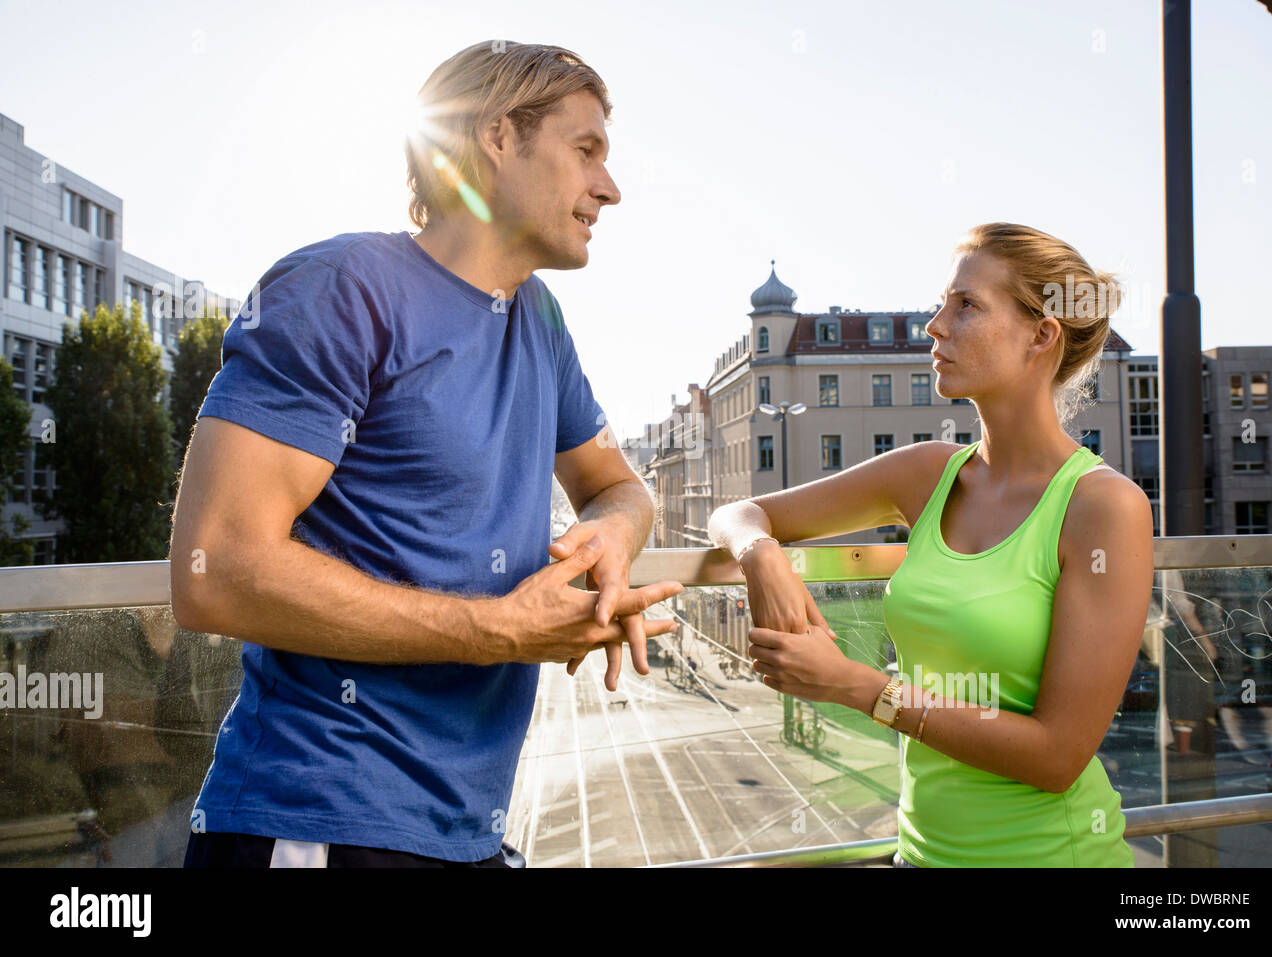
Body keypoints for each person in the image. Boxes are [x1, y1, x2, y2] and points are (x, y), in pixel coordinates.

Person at [169, 40, 681, 868]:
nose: (609, 187)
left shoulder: (540, 321)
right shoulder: (340, 287)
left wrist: (609, 540)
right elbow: (214, 569)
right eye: (586, 150)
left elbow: (618, 485)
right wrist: (496, 630)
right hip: (319, 821)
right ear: (498, 136)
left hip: (465, 834)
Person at [708, 223, 1154, 867]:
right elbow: (737, 514)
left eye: (966, 305)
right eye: (942, 303)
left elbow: (1057, 758)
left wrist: (857, 687)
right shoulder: (925, 474)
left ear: (1041, 335)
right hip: (919, 856)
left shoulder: (1103, 506)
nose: (934, 326)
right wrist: (760, 555)